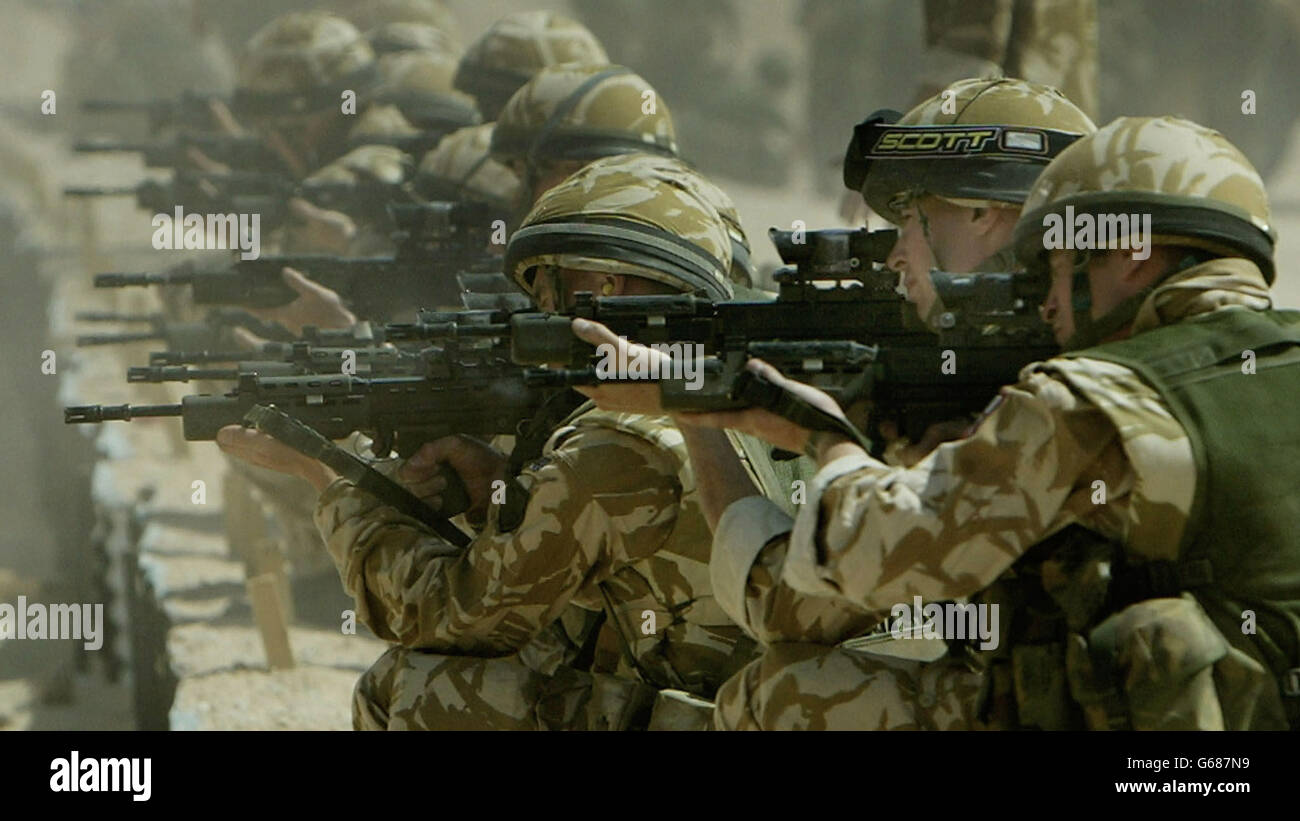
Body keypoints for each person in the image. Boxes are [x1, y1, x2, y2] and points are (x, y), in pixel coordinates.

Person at [575, 115, 1297, 730]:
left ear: (1135, 253)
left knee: (784, 693)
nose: (1045, 302)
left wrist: (819, 435)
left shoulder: (1087, 399)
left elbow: (864, 555)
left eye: (1058, 266)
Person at [216, 153, 786, 730]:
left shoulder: (621, 444)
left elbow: (451, 611)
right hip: (765, 703)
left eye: (548, 294)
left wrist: (334, 479)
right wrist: (503, 489)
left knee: (417, 688)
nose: (538, 314)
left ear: (607, 286)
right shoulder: (761, 390)